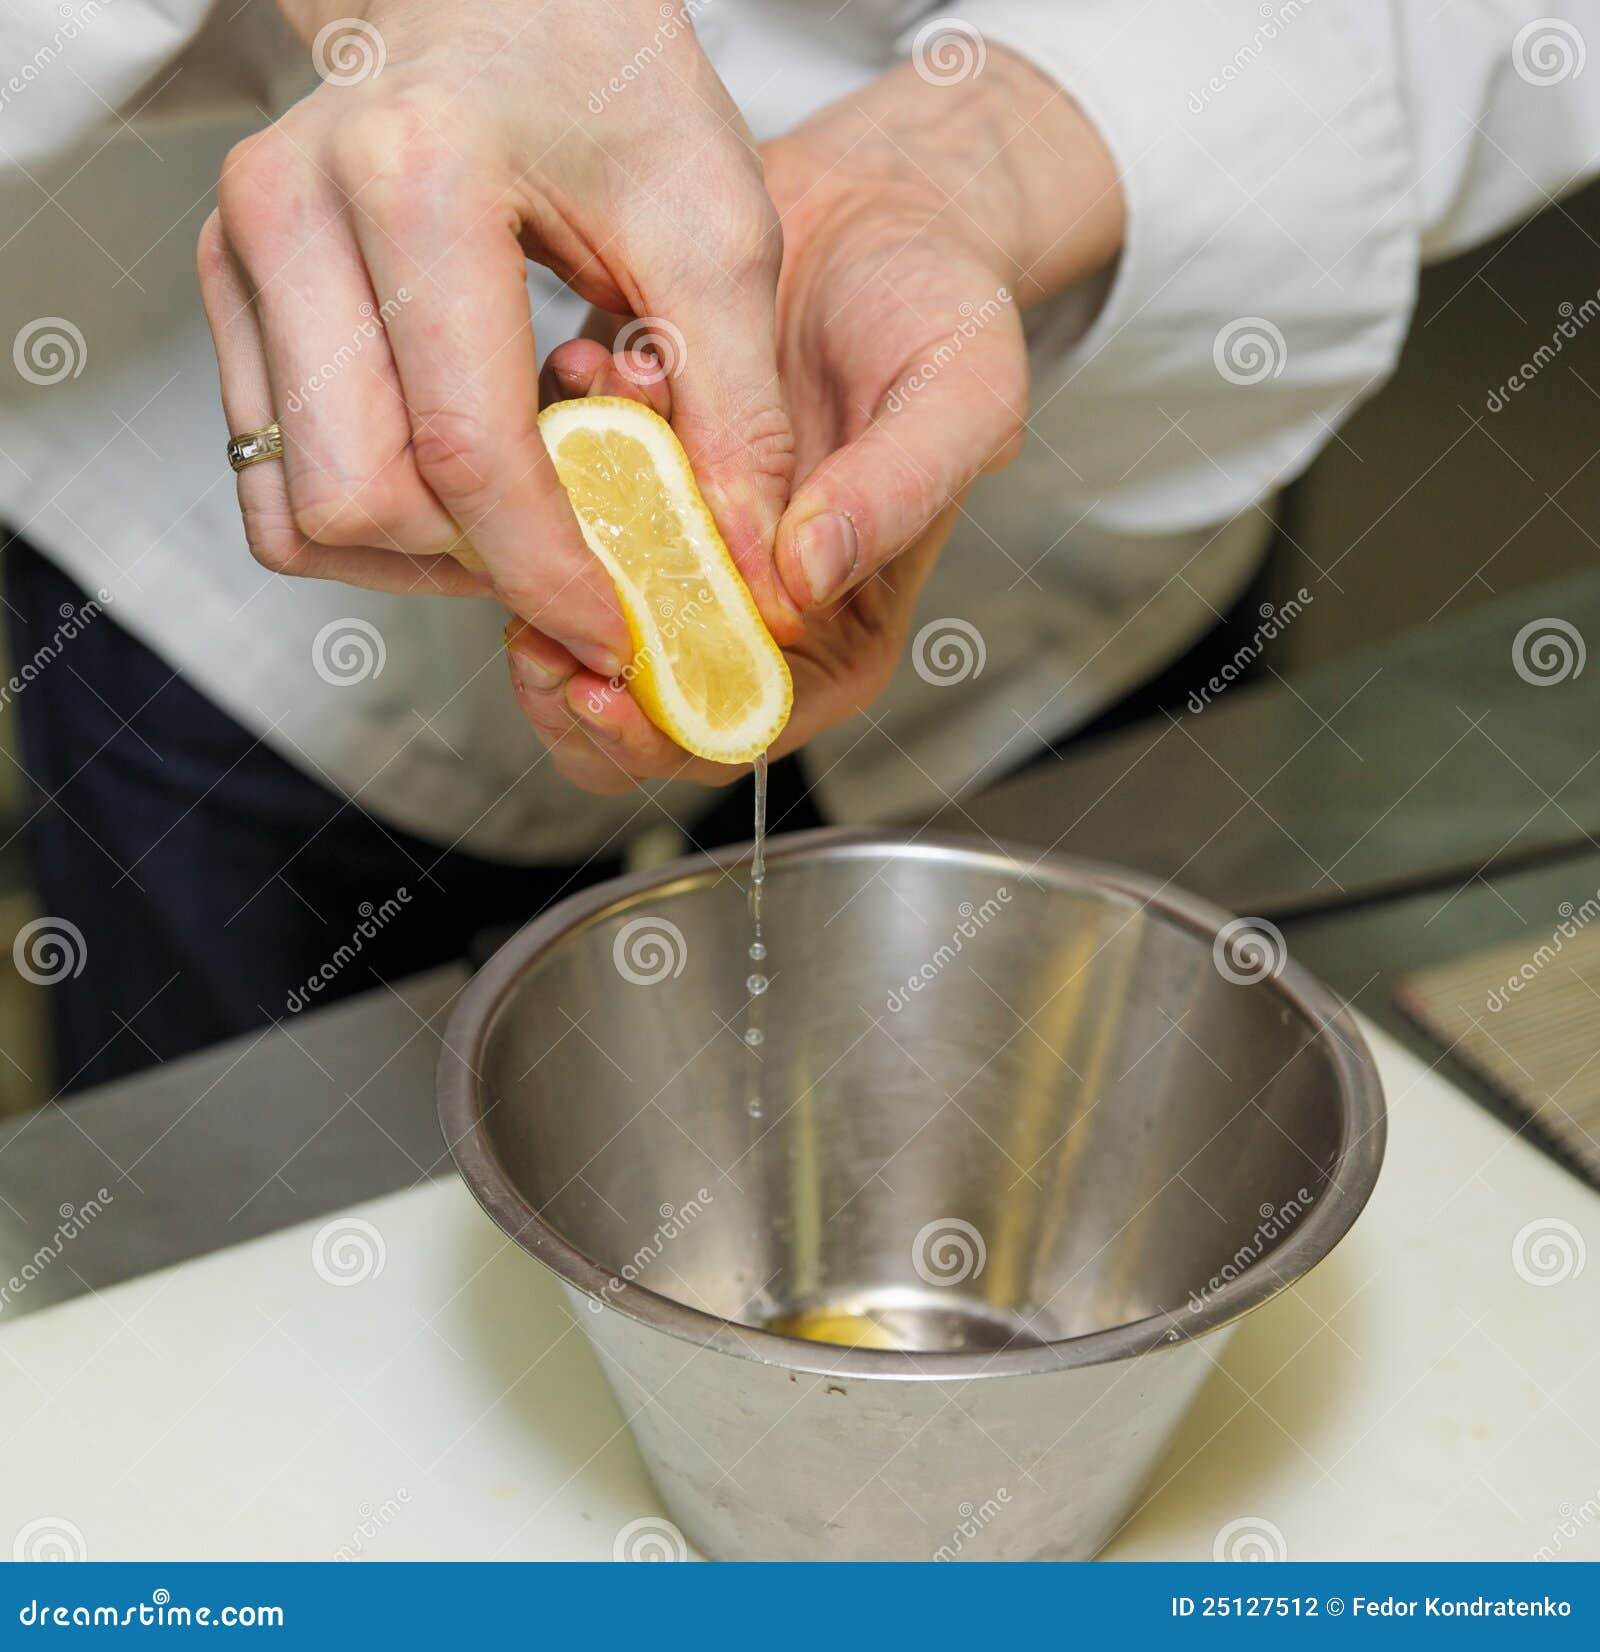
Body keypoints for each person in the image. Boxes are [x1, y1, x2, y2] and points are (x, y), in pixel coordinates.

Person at [2, 0, 1597, 1088]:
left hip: (1089, 419)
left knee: (1023, 1182)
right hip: (232, 542)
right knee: (271, 1312)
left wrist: (978, 157)